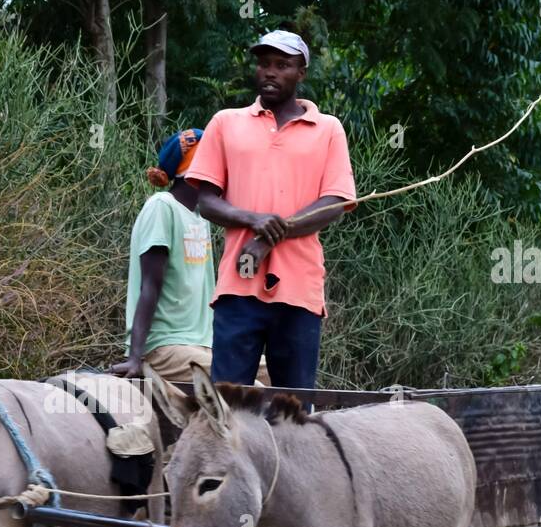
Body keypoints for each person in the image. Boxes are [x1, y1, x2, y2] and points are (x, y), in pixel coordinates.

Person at [184, 29, 357, 389]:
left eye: (283, 65)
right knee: (227, 406)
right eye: (264, 64)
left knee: (292, 412)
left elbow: (335, 203)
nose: (270, 72)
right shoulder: (225, 123)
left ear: (302, 73)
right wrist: (254, 219)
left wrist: (266, 240)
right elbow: (207, 201)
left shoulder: (327, 130)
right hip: (238, 285)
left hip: (299, 288)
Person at [110, 129, 215, 382]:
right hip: (164, 347)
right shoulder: (162, 207)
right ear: (194, 171)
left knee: (277, 372)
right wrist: (136, 357)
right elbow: (150, 285)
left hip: (202, 347)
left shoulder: (202, 218)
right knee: (248, 384)